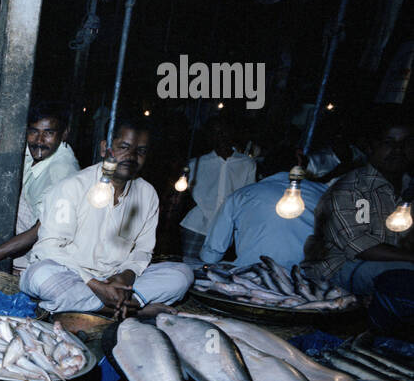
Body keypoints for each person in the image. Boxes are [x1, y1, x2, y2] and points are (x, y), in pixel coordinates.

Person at [18, 114, 193, 316]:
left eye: (141, 151)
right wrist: (94, 285)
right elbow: (48, 247)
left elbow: (142, 251)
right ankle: (128, 309)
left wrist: (125, 277)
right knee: (39, 277)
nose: (131, 156)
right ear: (104, 149)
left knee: (182, 275)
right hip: (72, 274)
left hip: (115, 279)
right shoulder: (72, 187)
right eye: (123, 147)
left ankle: (112, 304)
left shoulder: (147, 194)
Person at [0, 101, 80, 279]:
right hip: (30, 221)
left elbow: (41, 230)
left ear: (64, 135)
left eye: (48, 133)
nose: (39, 140)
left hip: (52, 246)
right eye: (33, 132)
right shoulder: (37, 149)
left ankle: (22, 270)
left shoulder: (62, 172)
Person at [301, 111, 413, 295]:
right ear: (371, 147)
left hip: (386, 264)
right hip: (335, 271)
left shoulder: (408, 187)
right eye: (389, 143)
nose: (399, 150)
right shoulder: (351, 188)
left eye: (407, 143)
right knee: (403, 279)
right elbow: (361, 247)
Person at [199, 152, 326, 268]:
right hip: (309, 281)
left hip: (252, 276)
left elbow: (211, 254)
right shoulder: (325, 193)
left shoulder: (241, 195)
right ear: (299, 167)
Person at [179, 117, 257, 262]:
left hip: (226, 229)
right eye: (215, 132)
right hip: (197, 226)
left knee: (214, 272)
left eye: (224, 132)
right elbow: (185, 194)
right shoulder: (196, 163)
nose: (220, 136)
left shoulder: (247, 164)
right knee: (187, 266)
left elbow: (248, 197)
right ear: (210, 136)